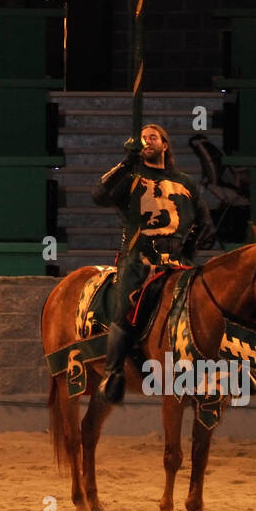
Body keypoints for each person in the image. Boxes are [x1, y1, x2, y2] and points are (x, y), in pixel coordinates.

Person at [92, 123, 208, 405]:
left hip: (177, 261)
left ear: (165, 144)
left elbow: (202, 222)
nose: (147, 141)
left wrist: (187, 251)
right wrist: (125, 164)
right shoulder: (130, 178)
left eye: (153, 137)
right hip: (139, 260)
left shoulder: (185, 182)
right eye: (143, 138)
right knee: (126, 309)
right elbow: (99, 195)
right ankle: (113, 372)